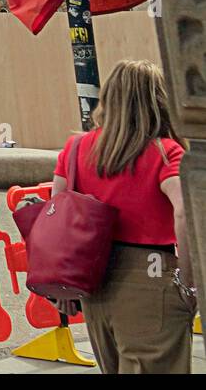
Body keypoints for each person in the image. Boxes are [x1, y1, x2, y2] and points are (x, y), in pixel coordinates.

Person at [52, 59, 197, 373]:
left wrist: (64, 284)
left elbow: (56, 215)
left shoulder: (75, 149)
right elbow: (184, 211)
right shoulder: (165, 151)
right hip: (151, 275)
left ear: (109, 99)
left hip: (93, 278)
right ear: (159, 100)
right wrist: (189, 283)